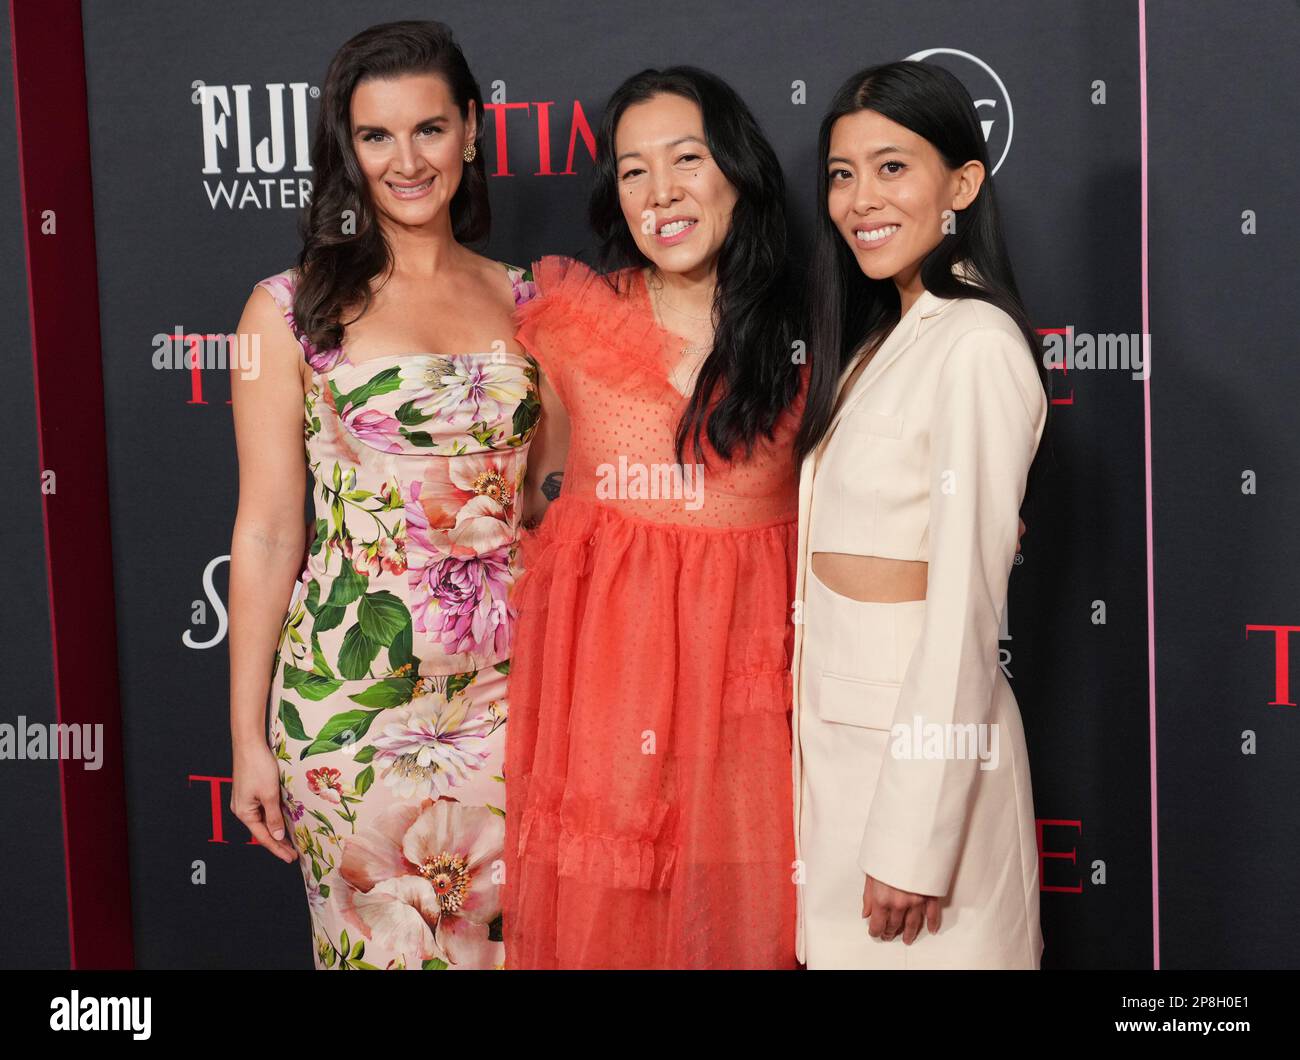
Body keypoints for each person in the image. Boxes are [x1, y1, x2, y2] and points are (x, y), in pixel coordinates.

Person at [227, 20, 539, 970]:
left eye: (430, 129)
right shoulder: (286, 310)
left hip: (512, 702)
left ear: (473, 132)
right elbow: (271, 529)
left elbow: (549, 510)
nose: (406, 161)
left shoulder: (529, 301)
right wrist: (247, 739)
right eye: (376, 136)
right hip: (348, 707)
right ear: (346, 149)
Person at [501, 67, 806, 968]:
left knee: (747, 929)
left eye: (686, 159)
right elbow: (537, 504)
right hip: (609, 708)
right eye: (633, 171)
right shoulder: (572, 328)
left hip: (754, 708)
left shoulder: (815, 329)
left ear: (740, 171)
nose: (661, 192)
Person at [790, 60, 1048, 969]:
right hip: (841, 767)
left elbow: (965, 616)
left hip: (922, 802)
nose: (861, 198)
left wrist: (913, 842)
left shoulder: (975, 345)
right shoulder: (885, 340)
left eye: (893, 167)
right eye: (842, 173)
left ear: (963, 184)